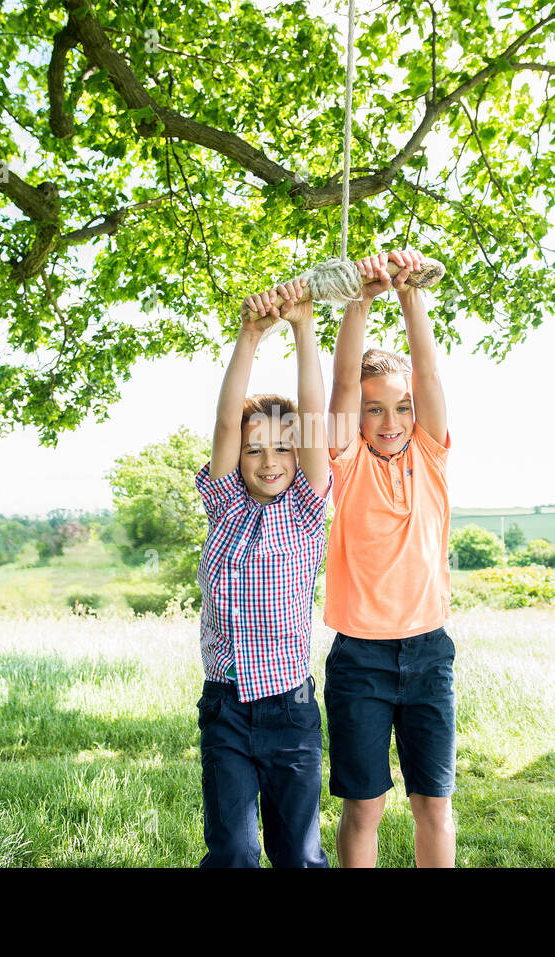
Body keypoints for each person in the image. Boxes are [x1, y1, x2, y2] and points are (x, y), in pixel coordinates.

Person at [322, 248, 457, 867]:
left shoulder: (430, 458)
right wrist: (362, 297)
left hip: (429, 651)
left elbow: (427, 376)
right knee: (365, 806)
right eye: (375, 408)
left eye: (399, 407)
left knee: (433, 802)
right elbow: (342, 383)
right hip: (361, 659)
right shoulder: (345, 467)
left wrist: (409, 293)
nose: (390, 418)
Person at [192, 276, 332, 867]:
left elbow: (318, 419)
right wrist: (250, 336)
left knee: (297, 856)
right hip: (226, 709)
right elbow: (227, 424)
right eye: (256, 450)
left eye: (282, 447)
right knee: (233, 854)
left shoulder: (305, 509)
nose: (270, 460)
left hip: (290, 711)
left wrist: (303, 327)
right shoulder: (226, 506)